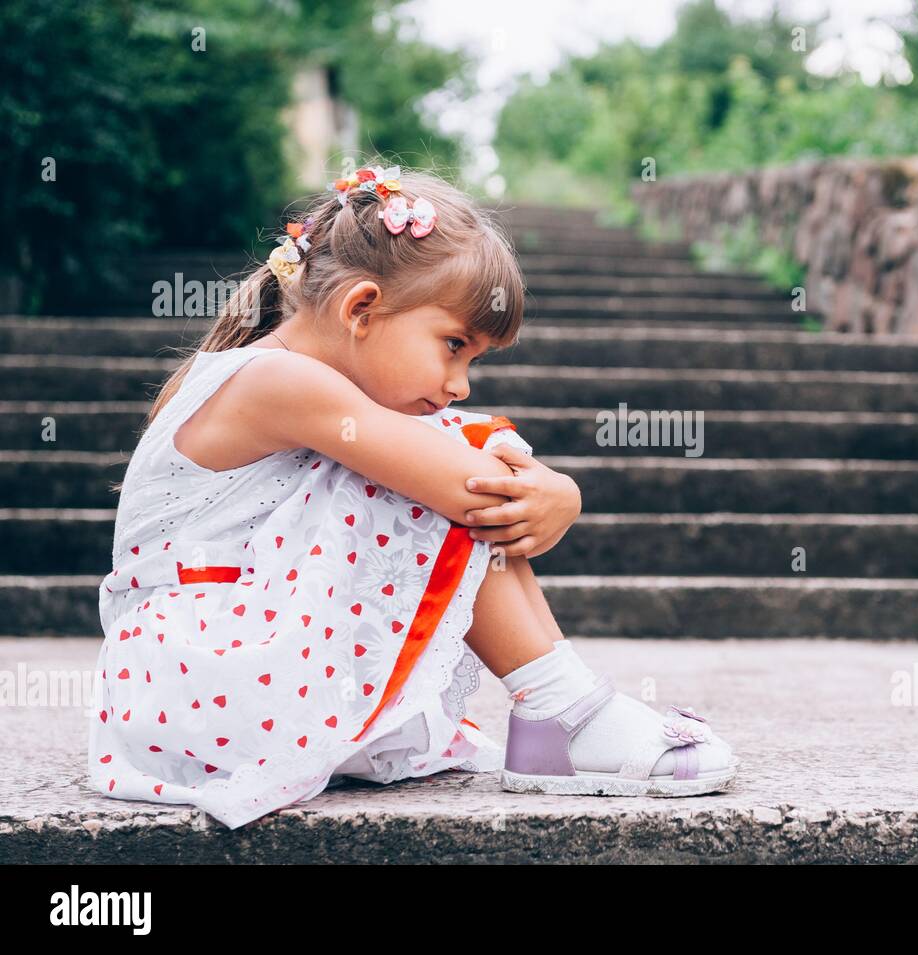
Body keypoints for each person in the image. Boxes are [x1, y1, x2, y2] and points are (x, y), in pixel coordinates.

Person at [85, 163, 739, 829]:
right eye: (454, 345)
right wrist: (559, 492)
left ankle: (561, 706)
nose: (461, 382)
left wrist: (540, 486)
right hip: (206, 679)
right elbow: (464, 483)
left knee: (441, 451)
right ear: (361, 308)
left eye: (474, 360)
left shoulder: (261, 375)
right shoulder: (278, 380)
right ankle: (562, 711)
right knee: (450, 465)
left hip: (186, 687)